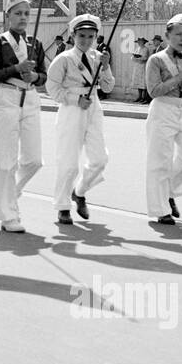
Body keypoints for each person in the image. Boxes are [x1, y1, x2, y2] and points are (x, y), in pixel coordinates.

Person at [0, 0, 49, 233]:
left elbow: (43, 76)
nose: (23, 18)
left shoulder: (36, 44)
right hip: (7, 97)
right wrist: (16, 68)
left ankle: (10, 192)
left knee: (34, 159)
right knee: (6, 159)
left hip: (30, 98)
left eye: (26, 14)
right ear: (8, 16)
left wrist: (34, 75)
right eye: (18, 13)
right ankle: (8, 215)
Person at [47, 14, 115, 225]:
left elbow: (108, 87)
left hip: (94, 106)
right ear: (73, 35)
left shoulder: (98, 57)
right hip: (72, 109)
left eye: (91, 36)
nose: (86, 41)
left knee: (100, 159)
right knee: (68, 161)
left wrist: (106, 67)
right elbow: (52, 88)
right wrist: (75, 99)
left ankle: (80, 191)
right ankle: (63, 206)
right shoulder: (64, 59)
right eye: (82, 36)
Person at [144, 13, 182, 224]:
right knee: (160, 160)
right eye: (178, 34)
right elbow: (154, 90)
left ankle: (169, 192)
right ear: (168, 35)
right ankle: (160, 210)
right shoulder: (156, 60)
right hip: (162, 110)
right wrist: (178, 79)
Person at [133, 37, 150, 104]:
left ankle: (143, 97)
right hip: (137, 66)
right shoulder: (137, 49)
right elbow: (132, 57)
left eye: (140, 42)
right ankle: (139, 96)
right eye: (138, 42)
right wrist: (135, 57)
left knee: (143, 82)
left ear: (143, 42)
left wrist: (140, 57)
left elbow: (145, 57)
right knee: (138, 82)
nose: (139, 43)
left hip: (143, 66)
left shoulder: (146, 49)